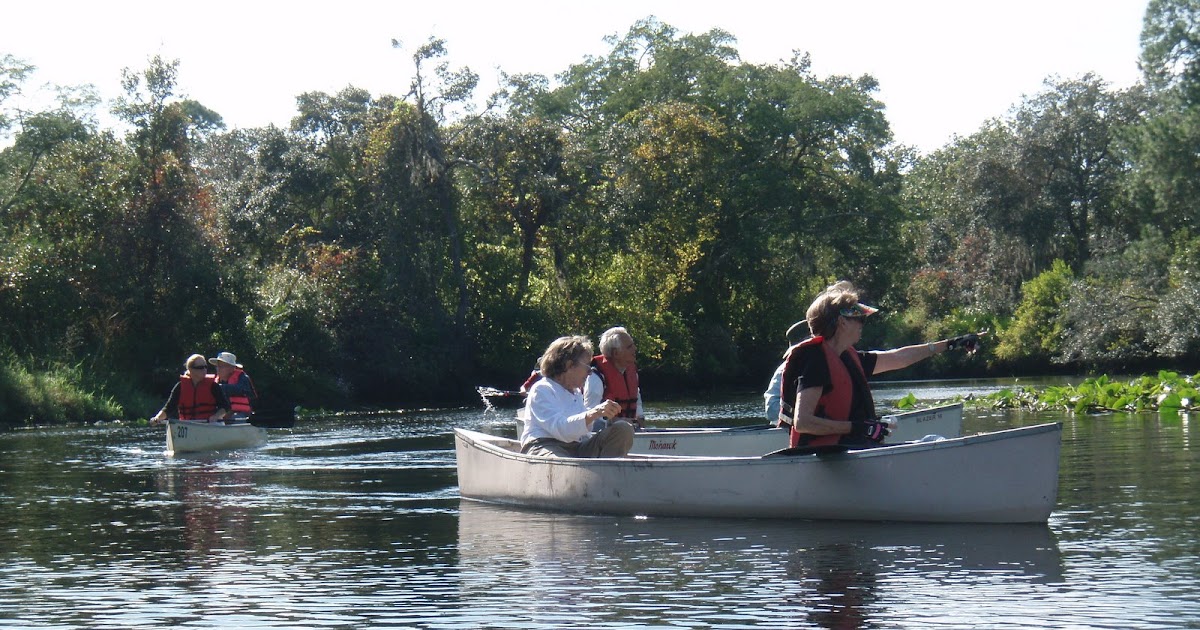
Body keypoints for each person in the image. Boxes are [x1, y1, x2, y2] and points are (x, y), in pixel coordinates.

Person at [781, 281, 983, 448]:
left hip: (846, 449)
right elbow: (803, 422)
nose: (862, 325)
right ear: (842, 322)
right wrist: (860, 428)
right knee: (932, 443)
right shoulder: (815, 359)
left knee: (934, 441)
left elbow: (899, 358)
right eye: (859, 319)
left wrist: (951, 344)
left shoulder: (848, 358)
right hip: (825, 457)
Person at [520, 335, 635, 457]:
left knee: (623, 429)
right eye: (587, 365)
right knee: (561, 462)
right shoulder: (542, 389)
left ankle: (607, 473)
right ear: (569, 365)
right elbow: (561, 429)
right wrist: (594, 412)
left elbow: (584, 430)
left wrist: (607, 419)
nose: (590, 371)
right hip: (544, 445)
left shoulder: (576, 393)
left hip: (576, 447)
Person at [584, 326, 645, 429]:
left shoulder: (632, 372)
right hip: (604, 434)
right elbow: (589, 416)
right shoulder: (596, 377)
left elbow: (637, 404)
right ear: (616, 353)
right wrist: (616, 422)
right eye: (629, 347)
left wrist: (640, 422)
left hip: (629, 431)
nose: (635, 349)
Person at [151, 354, 231, 424]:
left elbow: (225, 407)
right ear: (191, 369)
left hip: (209, 424)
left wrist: (216, 416)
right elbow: (168, 408)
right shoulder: (180, 387)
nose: (204, 370)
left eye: (205, 367)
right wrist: (157, 418)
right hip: (187, 425)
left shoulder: (213, 386)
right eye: (200, 367)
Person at [764, 320, 810, 424]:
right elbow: (771, 409)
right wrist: (802, 416)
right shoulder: (784, 369)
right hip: (785, 432)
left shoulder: (829, 364)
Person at [209, 351, 258, 420]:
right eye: (217, 366)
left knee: (234, 418)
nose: (218, 369)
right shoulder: (216, 381)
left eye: (221, 366)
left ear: (231, 368)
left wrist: (220, 388)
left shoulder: (243, 378)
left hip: (242, 414)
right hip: (223, 412)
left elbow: (242, 390)